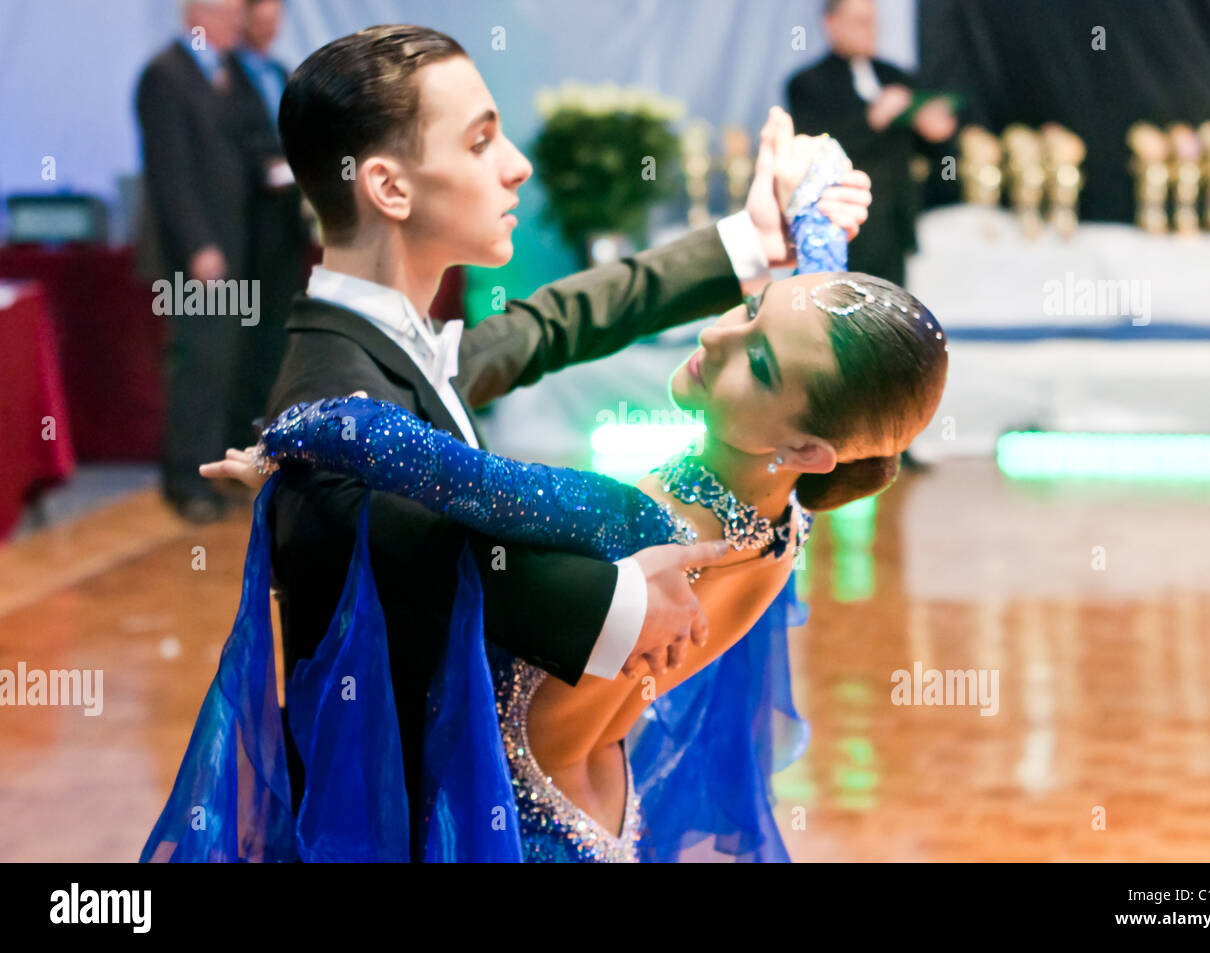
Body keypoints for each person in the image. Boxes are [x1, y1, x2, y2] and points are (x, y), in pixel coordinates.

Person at [152, 25, 871, 861]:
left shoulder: (382, 343)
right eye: (482, 140)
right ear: (387, 186)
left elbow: (550, 324)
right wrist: (628, 598)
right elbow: (453, 565)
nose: (518, 165)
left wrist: (755, 241)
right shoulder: (331, 403)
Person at [135, 0, 252, 523]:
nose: (237, 23)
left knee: (223, 362)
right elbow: (170, 175)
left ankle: (212, 471)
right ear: (196, 13)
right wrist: (198, 244)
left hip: (231, 251)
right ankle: (185, 481)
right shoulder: (165, 77)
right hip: (195, 258)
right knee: (197, 365)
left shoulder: (226, 74)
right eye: (227, 13)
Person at [786, 0, 957, 288]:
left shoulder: (895, 76)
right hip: (840, 228)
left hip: (894, 224)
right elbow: (814, 148)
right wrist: (872, 118)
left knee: (891, 318)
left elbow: (923, 151)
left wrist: (935, 134)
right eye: (859, 22)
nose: (869, 30)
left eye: (872, 21)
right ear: (831, 24)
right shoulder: (807, 84)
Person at [227, 0, 310, 448]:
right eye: (263, 13)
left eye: (278, 15)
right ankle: (238, 440)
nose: (271, 23)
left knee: (278, 336)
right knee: (243, 340)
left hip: (286, 232)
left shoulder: (281, 71)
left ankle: (273, 438)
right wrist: (269, 168)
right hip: (244, 231)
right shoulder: (222, 76)